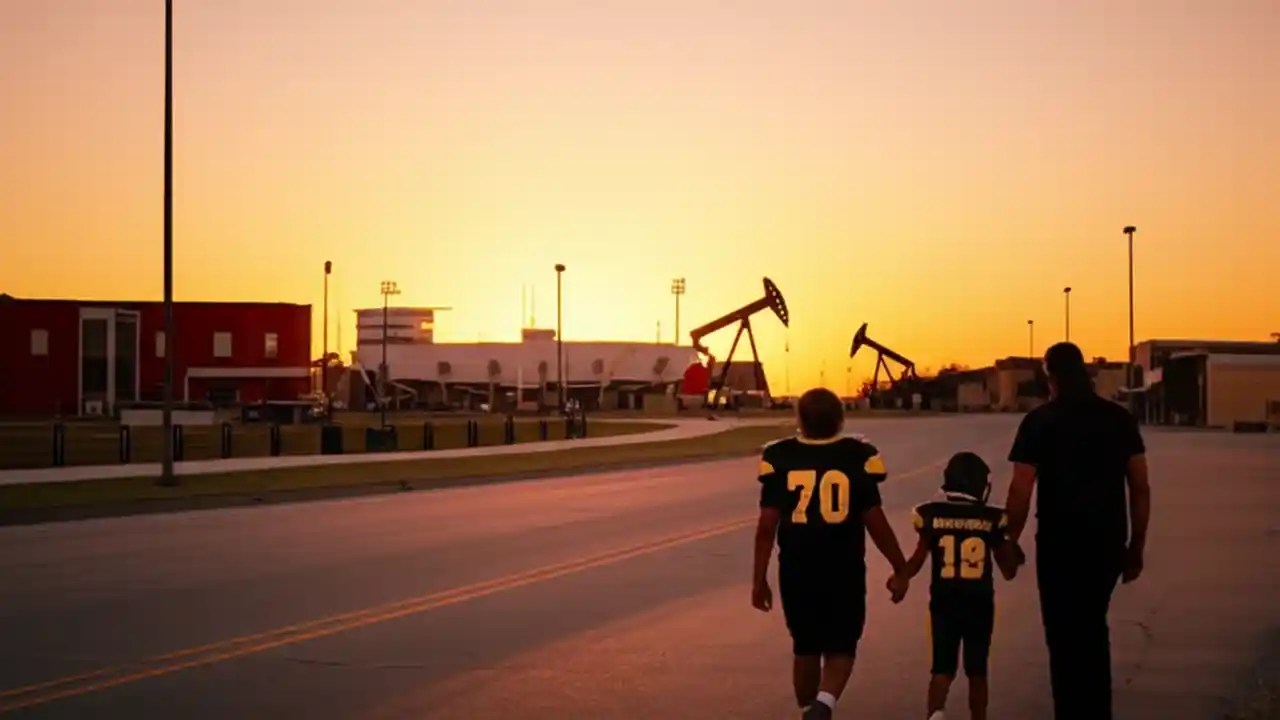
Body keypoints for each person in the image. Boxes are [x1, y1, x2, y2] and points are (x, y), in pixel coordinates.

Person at [1003, 342, 1151, 720]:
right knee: (1091, 626)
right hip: (1106, 543)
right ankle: (1097, 711)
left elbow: (1021, 487)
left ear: (1049, 376)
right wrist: (1136, 546)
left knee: (1063, 635)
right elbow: (1139, 485)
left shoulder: (1039, 421)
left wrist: (1009, 540)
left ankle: (1069, 712)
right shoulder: (1118, 419)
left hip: (1059, 544)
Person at [751, 387, 912, 720]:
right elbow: (875, 521)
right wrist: (900, 567)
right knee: (841, 647)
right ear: (840, 420)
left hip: (795, 568)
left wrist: (759, 580)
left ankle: (810, 709)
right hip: (843, 567)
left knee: (805, 646)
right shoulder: (856, 455)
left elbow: (767, 526)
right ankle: (824, 704)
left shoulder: (781, 456)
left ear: (800, 420)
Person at [904, 452, 1020, 720]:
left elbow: (919, 557)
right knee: (977, 671)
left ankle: (934, 715)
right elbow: (1009, 570)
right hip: (978, 603)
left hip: (944, 602)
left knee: (942, 668)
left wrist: (902, 577)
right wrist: (1010, 544)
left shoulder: (931, 515)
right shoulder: (992, 518)